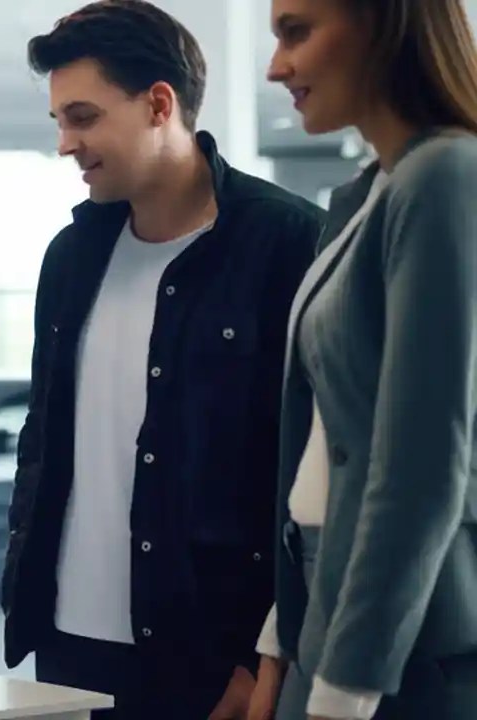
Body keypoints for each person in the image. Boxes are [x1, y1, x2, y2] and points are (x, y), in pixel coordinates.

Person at [1, 2, 325, 718]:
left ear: (158, 104)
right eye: (58, 121)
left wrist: (264, 654)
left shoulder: (289, 246)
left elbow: (312, 474)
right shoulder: (71, 257)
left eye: (82, 117)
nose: (65, 143)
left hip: (210, 660)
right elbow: (43, 436)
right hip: (63, 647)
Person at [247, 1, 477, 719]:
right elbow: (326, 436)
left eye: (296, 32)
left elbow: (419, 468)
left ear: (384, 23)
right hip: (326, 601)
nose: (276, 65)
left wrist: (343, 694)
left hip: (401, 640)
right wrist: (280, 635)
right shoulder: (366, 194)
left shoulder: (444, 176)